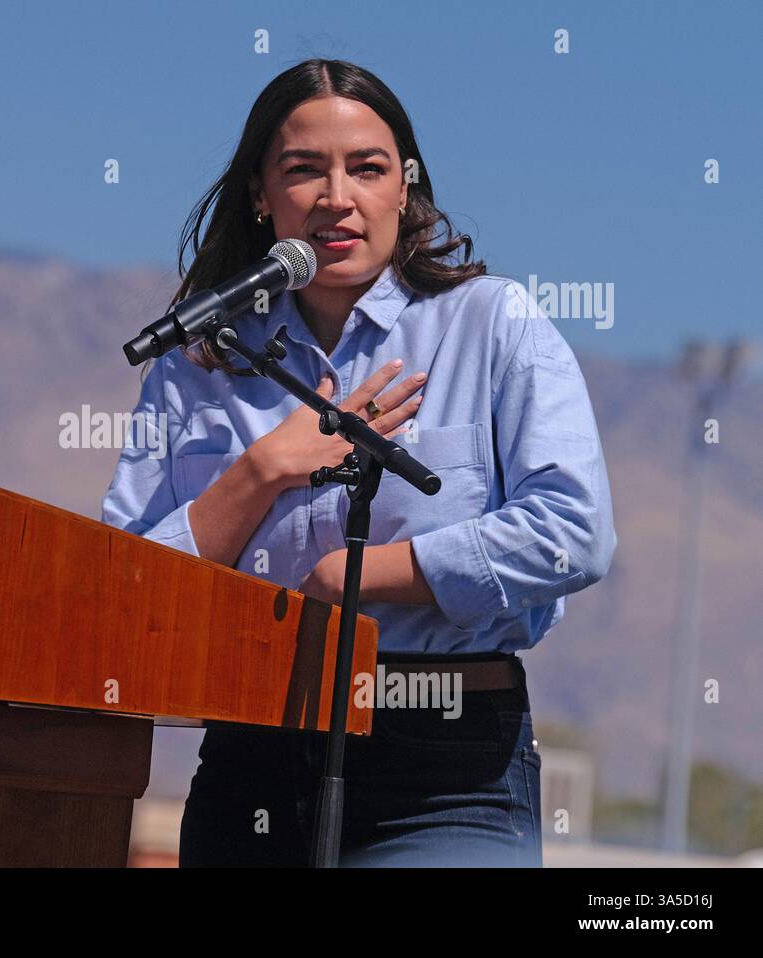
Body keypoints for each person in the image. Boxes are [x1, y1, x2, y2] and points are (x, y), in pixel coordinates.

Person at [101, 59, 616, 867]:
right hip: (251, 763)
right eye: (303, 170)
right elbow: (121, 588)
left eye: (367, 168)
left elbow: (573, 532)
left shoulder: (491, 326)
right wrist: (264, 468)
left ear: (404, 189)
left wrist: (360, 576)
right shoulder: (196, 361)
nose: (337, 197)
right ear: (260, 197)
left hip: (445, 760)